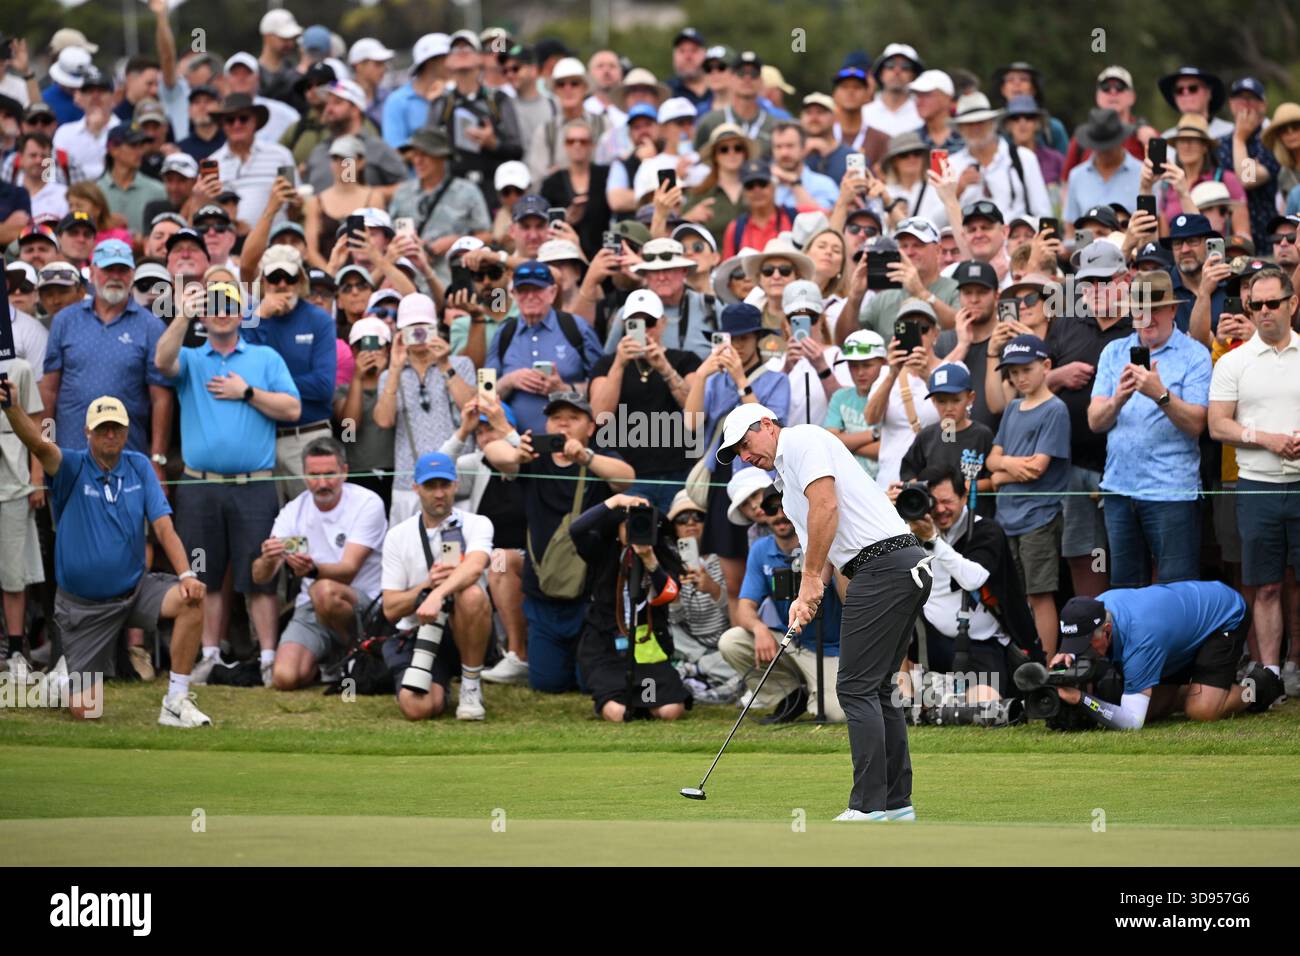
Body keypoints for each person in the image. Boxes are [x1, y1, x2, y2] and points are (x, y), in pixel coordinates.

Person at [716, 402, 932, 821]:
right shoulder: (786, 481)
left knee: (853, 688)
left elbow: (827, 507)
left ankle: (868, 806)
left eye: (745, 443)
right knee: (877, 686)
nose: (745, 455)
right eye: (737, 452)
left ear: (767, 425)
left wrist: (811, 579)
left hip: (887, 565)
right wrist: (807, 595)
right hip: (894, 567)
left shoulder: (802, 439)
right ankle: (896, 804)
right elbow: (825, 540)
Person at [0, 386, 209, 726]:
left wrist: (187, 575)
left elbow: (164, 528)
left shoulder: (139, 467)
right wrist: (11, 408)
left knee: (193, 600)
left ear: (127, 431)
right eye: (102, 428)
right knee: (87, 710)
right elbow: (38, 445)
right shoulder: (70, 465)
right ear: (88, 433)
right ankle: (61, 679)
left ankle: (176, 701)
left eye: (116, 427)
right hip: (84, 608)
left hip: (134, 592)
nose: (110, 434)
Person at [154, 280, 302, 688]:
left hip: (253, 484)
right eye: (213, 305)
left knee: (261, 573)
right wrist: (182, 313)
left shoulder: (264, 357)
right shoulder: (191, 358)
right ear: (204, 315)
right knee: (204, 573)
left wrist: (247, 392)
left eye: (229, 305)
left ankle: (269, 658)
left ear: (241, 314)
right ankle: (208, 655)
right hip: (200, 486)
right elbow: (162, 362)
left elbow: (292, 407)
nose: (221, 311)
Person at [482, 391, 634, 693]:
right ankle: (519, 653)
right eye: (556, 419)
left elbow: (626, 477)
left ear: (590, 428)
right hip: (542, 592)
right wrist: (516, 454)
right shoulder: (532, 455)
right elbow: (493, 451)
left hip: (589, 597)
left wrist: (585, 457)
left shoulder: (599, 457)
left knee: (586, 682)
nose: (563, 425)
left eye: (573, 419)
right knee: (547, 683)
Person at [1207, 268, 1300, 694]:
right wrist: (1267, 439)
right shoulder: (1232, 361)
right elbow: (1218, 426)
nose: (1263, 312)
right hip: (1257, 485)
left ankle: (1295, 663)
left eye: (1272, 303)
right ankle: (1270, 675)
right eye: (1255, 305)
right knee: (1264, 585)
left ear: (1291, 304)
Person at [1088, 271, 1211, 589]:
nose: (1147, 316)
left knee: (1177, 591)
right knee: (1125, 591)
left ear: (1173, 310)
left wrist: (1160, 394)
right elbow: (1095, 421)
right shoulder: (1114, 352)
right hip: (1119, 490)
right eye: (1139, 307)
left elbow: (1197, 424)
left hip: (1172, 492)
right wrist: (1119, 398)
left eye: (1155, 308)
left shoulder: (1195, 354)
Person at [252, 437, 387, 690]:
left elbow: (348, 571)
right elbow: (260, 577)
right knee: (285, 678)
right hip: (312, 607)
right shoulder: (293, 510)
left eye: (330, 474)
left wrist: (313, 570)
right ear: (303, 475)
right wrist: (267, 558)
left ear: (345, 472)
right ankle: (327, 659)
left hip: (363, 604)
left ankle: (355, 657)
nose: (322, 483)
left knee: (323, 590)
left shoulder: (368, 503)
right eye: (314, 475)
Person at [1050, 585, 1282, 729]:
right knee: (1152, 711)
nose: (1083, 652)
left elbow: (1131, 723)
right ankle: (1204, 689)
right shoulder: (1094, 610)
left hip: (1224, 617)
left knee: (1201, 711)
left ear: (1108, 631)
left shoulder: (1141, 639)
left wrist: (1080, 698)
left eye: (1085, 645)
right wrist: (1066, 656)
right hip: (1175, 634)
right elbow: (1079, 638)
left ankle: (1261, 684)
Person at [683, 303, 791, 608]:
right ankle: (740, 644)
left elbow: (771, 429)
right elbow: (690, 424)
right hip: (723, 477)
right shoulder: (714, 381)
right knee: (733, 582)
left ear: (757, 337)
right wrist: (703, 374)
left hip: (762, 479)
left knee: (776, 570)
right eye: (731, 338)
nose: (738, 345)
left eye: (744, 337)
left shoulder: (776, 379)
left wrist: (741, 380)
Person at [905, 462, 1038, 701]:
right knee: (894, 626)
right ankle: (906, 703)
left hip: (979, 643)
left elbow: (973, 578)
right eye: (934, 502)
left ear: (964, 496)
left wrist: (933, 540)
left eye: (948, 502)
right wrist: (895, 512)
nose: (941, 510)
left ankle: (935, 700)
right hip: (927, 640)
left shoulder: (986, 531)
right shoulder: (912, 528)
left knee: (986, 705)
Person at [380, 450, 494, 721]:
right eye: (431, 486)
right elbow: (390, 608)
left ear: (456, 484)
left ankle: (470, 686)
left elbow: (476, 565)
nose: (439, 493)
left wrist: (439, 593)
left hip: (463, 629)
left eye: (445, 484)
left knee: (472, 594)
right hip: (418, 631)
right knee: (417, 709)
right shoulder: (397, 535)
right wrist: (426, 587)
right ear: (416, 488)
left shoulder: (477, 522)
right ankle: (442, 688)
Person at [42, 240, 171, 477]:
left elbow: (161, 399)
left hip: (128, 459)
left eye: (122, 270)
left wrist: (157, 458)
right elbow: (49, 391)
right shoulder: (65, 320)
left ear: (132, 275)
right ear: (91, 273)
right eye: (108, 269)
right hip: (69, 457)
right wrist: (45, 447)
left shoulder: (151, 326)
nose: (115, 276)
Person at [717, 487, 845, 723]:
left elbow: (848, 598)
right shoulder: (760, 549)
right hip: (790, 640)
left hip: (831, 647)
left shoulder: (820, 543)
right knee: (732, 641)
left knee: (834, 714)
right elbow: (745, 606)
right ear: (763, 514)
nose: (779, 515)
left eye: (784, 507)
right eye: (771, 509)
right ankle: (789, 698)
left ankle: (815, 694)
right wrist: (759, 629)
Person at [568, 493, 691, 721]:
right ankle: (632, 704)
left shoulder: (661, 556)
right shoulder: (602, 551)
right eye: (629, 523)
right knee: (618, 712)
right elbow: (576, 530)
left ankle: (644, 703)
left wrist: (649, 561)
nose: (636, 528)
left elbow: (669, 595)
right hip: (606, 645)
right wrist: (615, 501)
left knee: (671, 711)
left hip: (647, 646)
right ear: (617, 528)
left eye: (644, 523)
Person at [986, 335, 1070, 656]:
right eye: (1014, 372)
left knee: (1040, 594)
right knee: (1018, 595)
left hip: (1040, 517)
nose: (1020, 378)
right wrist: (1004, 467)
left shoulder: (1055, 409)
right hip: (1008, 517)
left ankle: (1046, 666)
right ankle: (1027, 661)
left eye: (1027, 369)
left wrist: (1000, 473)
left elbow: (1038, 468)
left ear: (1046, 366)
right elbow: (991, 460)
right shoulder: (1011, 409)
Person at [241, 245, 338, 503]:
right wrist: (259, 316)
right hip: (261, 439)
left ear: (301, 281)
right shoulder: (250, 318)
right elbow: (240, 372)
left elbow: (324, 386)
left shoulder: (320, 320)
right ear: (263, 282)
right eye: (274, 278)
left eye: (290, 277)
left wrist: (266, 390)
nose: (282, 284)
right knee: (270, 528)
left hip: (307, 437)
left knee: (319, 518)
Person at [589, 289, 701, 510]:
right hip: (628, 474)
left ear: (662, 323)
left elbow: (695, 412)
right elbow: (600, 416)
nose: (643, 330)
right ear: (623, 325)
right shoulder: (607, 364)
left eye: (648, 322)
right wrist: (619, 365)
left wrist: (665, 368)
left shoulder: (685, 360)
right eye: (634, 324)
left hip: (677, 471)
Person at [373, 293, 474, 525]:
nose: (418, 334)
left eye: (424, 327)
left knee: (458, 553)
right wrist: (395, 367)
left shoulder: (460, 364)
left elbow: (471, 408)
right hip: (409, 481)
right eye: (411, 328)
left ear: (436, 328)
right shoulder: (390, 375)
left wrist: (445, 364)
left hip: (454, 479)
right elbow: (384, 421)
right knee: (410, 555)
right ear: (400, 333)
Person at [485, 260, 605, 437]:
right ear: (513, 294)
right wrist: (509, 380)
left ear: (552, 292)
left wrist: (563, 389)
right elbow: (485, 393)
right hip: (516, 446)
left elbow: (603, 388)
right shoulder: (504, 333)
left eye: (537, 289)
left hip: (570, 445)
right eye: (523, 291)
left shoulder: (575, 328)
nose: (530, 296)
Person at [423, 30, 524, 207]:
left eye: (468, 47)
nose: (461, 51)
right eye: (455, 49)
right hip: (451, 195)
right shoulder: (440, 104)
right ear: (447, 61)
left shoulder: (498, 100)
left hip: (492, 192)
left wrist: (494, 144)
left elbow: (518, 150)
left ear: (480, 58)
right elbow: (428, 151)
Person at [664, 490, 740, 704]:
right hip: (690, 645)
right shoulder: (669, 562)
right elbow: (675, 620)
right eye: (681, 519)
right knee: (663, 629)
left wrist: (714, 589)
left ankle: (696, 673)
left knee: (742, 652)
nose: (690, 523)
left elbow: (737, 610)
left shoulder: (725, 559)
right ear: (674, 528)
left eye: (698, 517)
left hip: (722, 643)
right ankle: (705, 675)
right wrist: (675, 597)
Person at [898, 362, 995, 516]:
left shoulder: (982, 435)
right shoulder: (927, 436)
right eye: (941, 401)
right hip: (935, 515)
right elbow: (909, 474)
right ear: (933, 401)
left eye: (956, 400)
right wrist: (929, 489)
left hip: (974, 517)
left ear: (970, 398)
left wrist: (961, 487)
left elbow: (993, 481)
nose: (949, 407)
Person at [866, 297, 942, 487]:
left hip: (935, 481)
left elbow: (954, 425)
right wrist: (893, 373)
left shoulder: (951, 370)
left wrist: (927, 378)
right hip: (891, 481)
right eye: (908, 328)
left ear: (936, 334)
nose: (918, 335)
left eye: (923, 328)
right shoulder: (886, 373)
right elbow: (871, 419)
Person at [0, 357, 44, 671]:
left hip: (13, 485)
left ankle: (16, 650)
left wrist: (37, 478)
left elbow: (38, 423)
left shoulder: (20, 368)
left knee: (14, 574)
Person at [605, 237, 715, 360]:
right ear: (646, 275)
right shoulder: (629, 313)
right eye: (654, 271)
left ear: (684, 271)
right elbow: (606, 365)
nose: (661, 277)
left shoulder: (710, 307)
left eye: (668, 270)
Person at [948, 92, 1051, 220]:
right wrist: (958, 190)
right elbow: (935, 221)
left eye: (981, 122)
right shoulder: (950, 165)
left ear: (992, 123)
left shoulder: (1024, 158)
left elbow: (1042, 211)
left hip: (1019, 238)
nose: (975, 128)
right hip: (969, 238)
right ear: (960, 129)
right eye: (969, 124)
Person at [303, 80, 406, 196]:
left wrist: (369, 195)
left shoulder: (378, 148)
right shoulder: (318, 151)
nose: (329, 109)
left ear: (355, 109)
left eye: (337, 102)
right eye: (327, 103)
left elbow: (406, 188)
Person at [209, 93, 297, 228]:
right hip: (228, 244)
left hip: (274, 243)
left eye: (243, 118)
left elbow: (293, 199)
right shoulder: (213, 162)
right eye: (230, 120)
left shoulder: (280, 155)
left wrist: (299, 201)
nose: (237, 124)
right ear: (223, 125)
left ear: (255, 121)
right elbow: (209, 207)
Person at [934, 259, 1002, 432]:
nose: (974, 299)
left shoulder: (1007, 340)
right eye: (967, 292)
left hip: (997, 447)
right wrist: (962, 345)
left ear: (996, 296)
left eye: (982, 292)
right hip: (951, 441)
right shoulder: (946, 341)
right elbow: (932, 388)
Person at [824, 329, 887, 478]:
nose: (860, 372)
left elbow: (887, 450)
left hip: (883, 483)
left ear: (884, 363)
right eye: (853, 365)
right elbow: (828, 443)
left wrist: (845, 442)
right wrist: (874, 434)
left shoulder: (893, 397)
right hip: (847, 484)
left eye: (867, 365)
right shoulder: (840, 397)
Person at [694, 51, 777, 158]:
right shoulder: (709, 122)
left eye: (754, 73)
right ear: (731, 78)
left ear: (761, 81)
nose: (747, 78)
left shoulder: (773, 125)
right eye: (741, 73)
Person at [381, 34, 449, 151]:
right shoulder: (397, 101)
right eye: (448, 57)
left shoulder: (453, 96)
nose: (454, 63)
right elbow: (394, 152)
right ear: (432, 61)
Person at [910, 69, 961, 151]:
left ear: (947, 97)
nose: (919, 101)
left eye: (926, 94)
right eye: (916, 95)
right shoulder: (911, 141)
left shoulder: (968, 136)